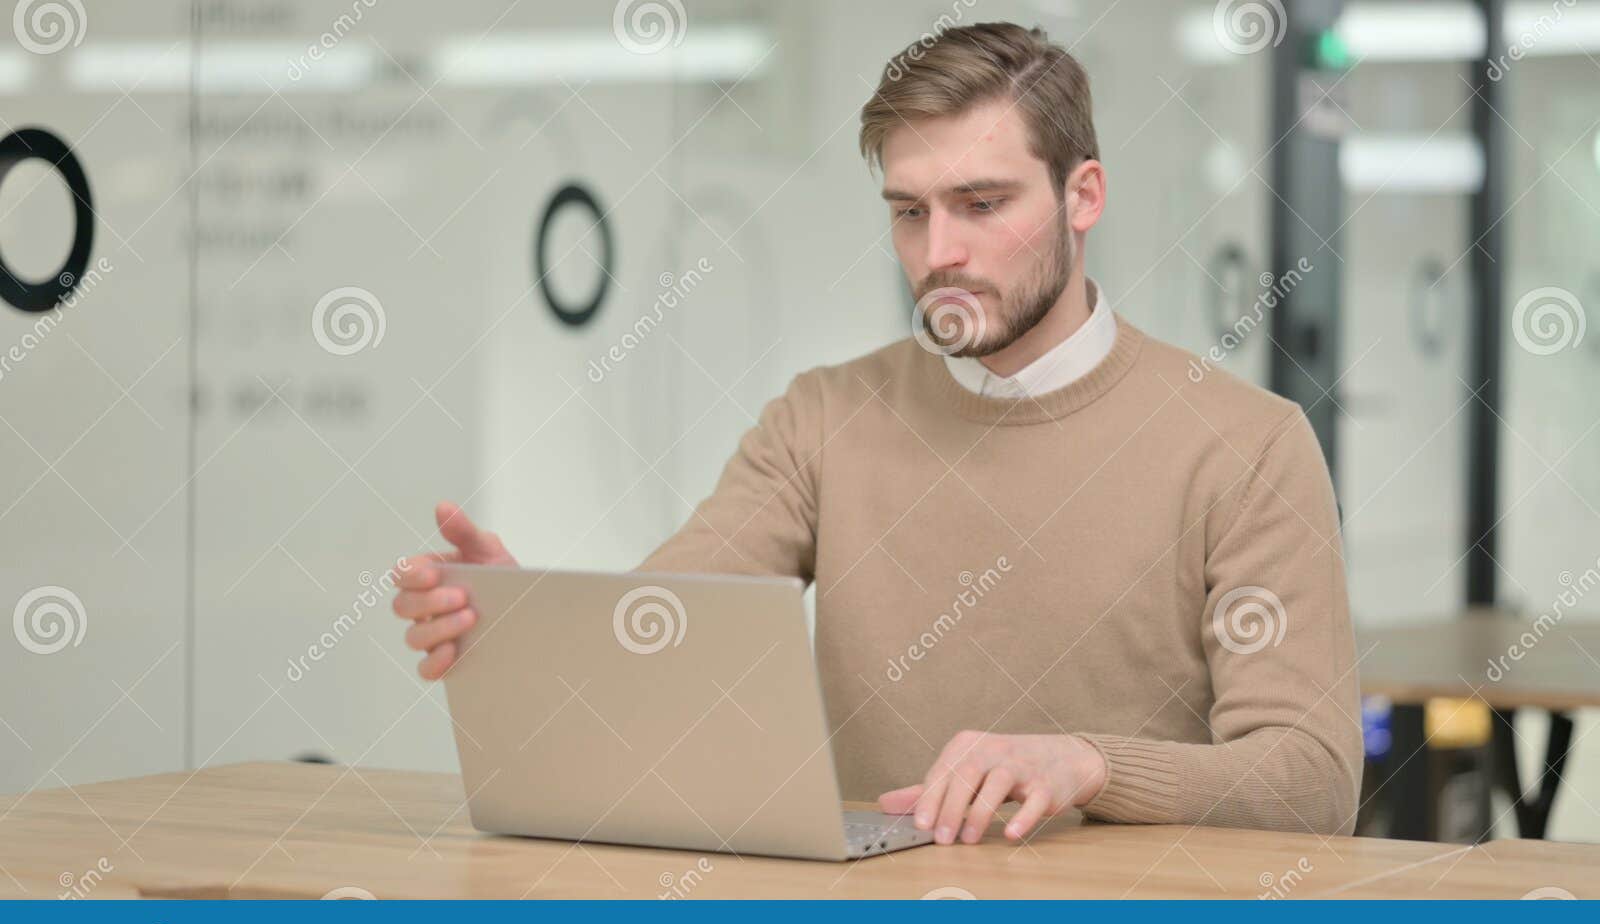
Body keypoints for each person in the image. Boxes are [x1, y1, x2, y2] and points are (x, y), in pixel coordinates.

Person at [392, 22, 1362, 844]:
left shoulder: (1246, 446)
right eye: (909, 212)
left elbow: (1312, 781)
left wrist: (1088, 766)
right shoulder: (825, 419)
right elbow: (668, 631)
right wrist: (533, 631)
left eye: (982, 205)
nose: (938, 253)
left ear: (1083, 196)